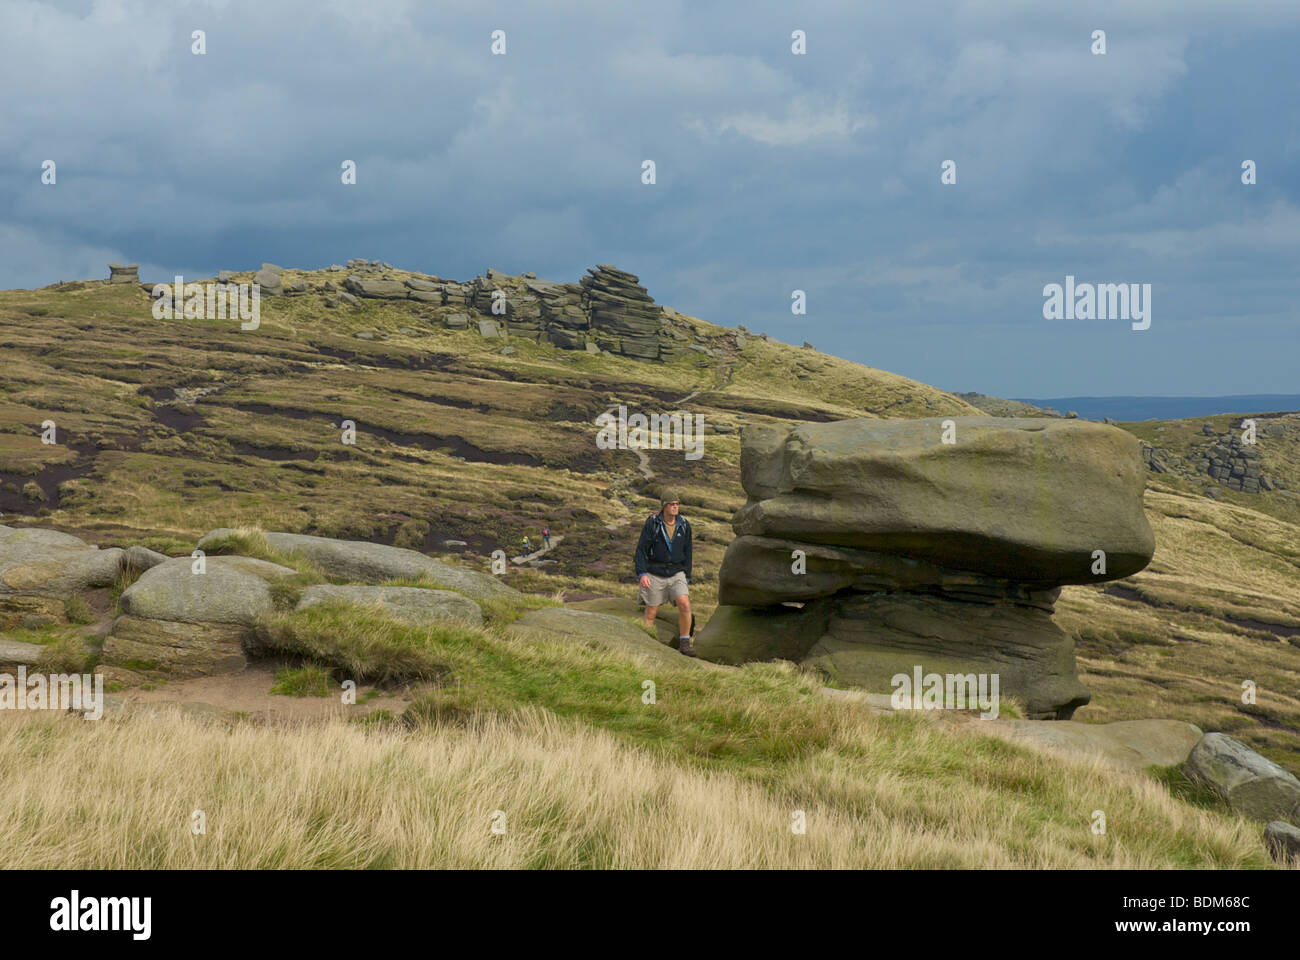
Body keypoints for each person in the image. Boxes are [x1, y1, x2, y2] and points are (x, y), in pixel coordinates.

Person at [633, 490, 695, 656]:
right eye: (672, 504)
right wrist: (642, 573)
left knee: (685, 604)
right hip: (654, 572)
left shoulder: (684, 524)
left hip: (677, 572)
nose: (675, 507)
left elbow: (688, 551)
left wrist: (687, 576)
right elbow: (641, 550)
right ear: (664, 506)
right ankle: (645, 643)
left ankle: (685, 643)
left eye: (677, 504)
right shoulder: (652, 523)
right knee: (651, 612)